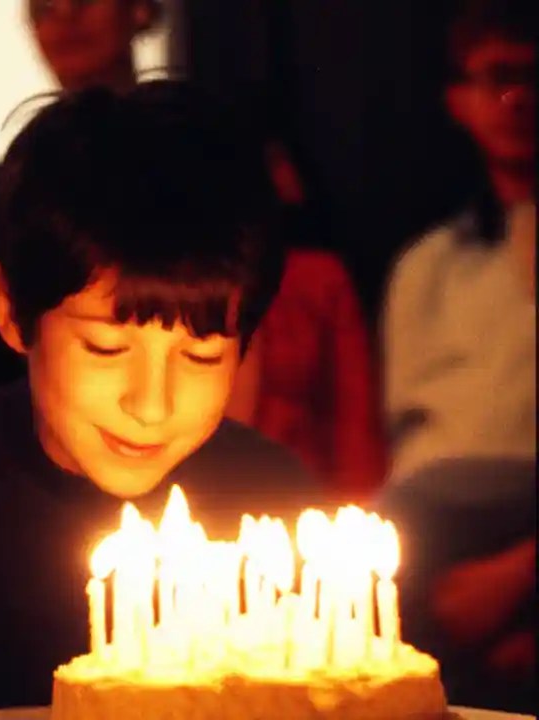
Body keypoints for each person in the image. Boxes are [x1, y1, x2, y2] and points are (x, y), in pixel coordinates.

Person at [0, 82, 328, 715]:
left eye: (200, 356)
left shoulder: (278, 515)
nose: (151, 404)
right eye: (107, 350)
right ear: (9, 310)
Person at [377, 0, 534, 712]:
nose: (518, 99)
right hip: (431, 523)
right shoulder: (426, 266)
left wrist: (521, 573)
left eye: (533, 76)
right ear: (456, 100)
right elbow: (402, 432)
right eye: (496, 76)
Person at [0, 0, 159, 420]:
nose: (66, 17)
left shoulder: (196, 172)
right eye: (44, 7)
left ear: (140, 7)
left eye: (84, 0)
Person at [225, 131, 386, 501]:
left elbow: (355, 425)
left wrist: (355, 514)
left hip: (299, 508)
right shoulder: (165, 284)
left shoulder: (316, 281)